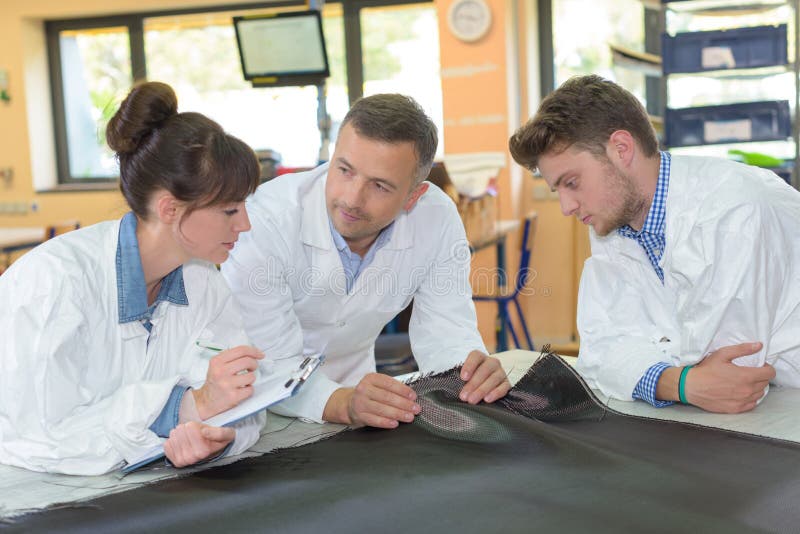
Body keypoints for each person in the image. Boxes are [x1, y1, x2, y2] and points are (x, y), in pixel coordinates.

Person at [0, 82, 266, 475]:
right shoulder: (54, 281)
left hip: (140, 493)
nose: (245, 224)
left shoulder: (203, 281)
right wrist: (183, 410)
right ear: (170, 209)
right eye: (229, 210)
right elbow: (36, 436)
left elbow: (242, 402)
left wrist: (218, 435)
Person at [508, 74, 800, 414]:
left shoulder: (732, 210)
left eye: (572, 182)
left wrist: (659, 368)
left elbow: (734, 375)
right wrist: (677, 382)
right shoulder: (615, 224)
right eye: (559, 190)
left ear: (621, 149)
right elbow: (599, 351)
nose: (566, 207)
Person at [221, 93, 510, 428]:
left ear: (413, 196)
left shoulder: (436, 217)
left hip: (358, 403)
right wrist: (341, 403)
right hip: (253, 411)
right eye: (344, 169)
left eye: (380, 186)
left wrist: (470, 374)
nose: (352, 199)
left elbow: (446, 332)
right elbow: (270, 362)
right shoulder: (265, 221)